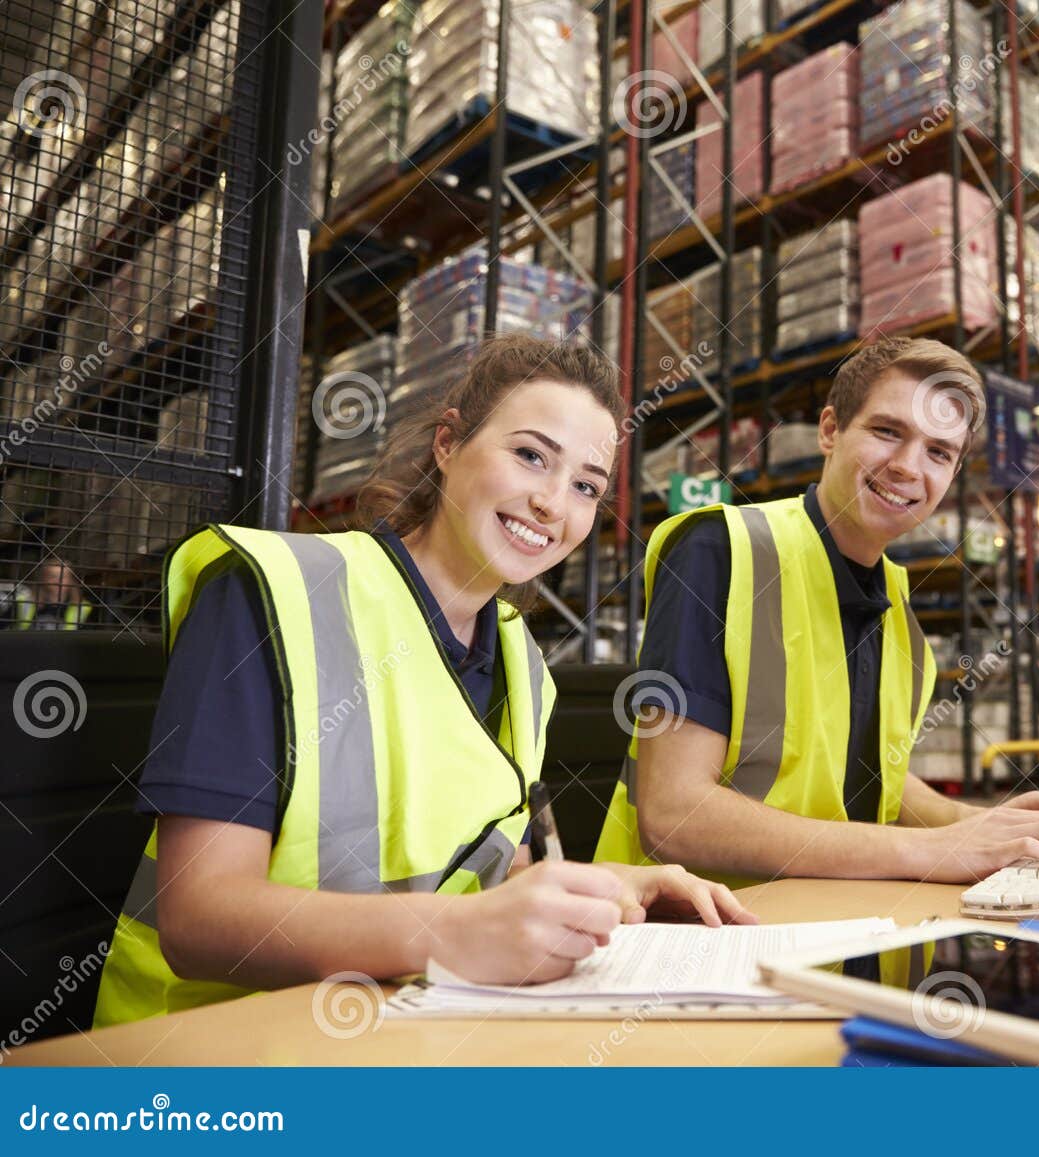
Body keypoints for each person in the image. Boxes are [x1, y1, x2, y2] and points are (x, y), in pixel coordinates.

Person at [94, 336, 753, 1028]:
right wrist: (452, 934)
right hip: (214, 1058)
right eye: (530, 455)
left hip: (397, 1027)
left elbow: (490, 876)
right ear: (447, 443)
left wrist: (614, 885)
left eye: (586, 486)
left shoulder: (519, 662)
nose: (552, 503)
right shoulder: (274, 593)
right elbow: (200, 916)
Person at [595, 337, 1039, 887]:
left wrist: (988, 825)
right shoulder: (722, 553)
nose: (908, 467)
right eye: (887, 431)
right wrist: (933, 850)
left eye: (939, 452)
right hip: (709, 948)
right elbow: (674, 815)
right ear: (830, 430)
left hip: (843, 943)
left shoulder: (898, 611)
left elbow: (870, 780)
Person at [16, 561, 92, 629]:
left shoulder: (83, 608)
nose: (59, 581)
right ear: (43, 579)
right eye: (53, 576)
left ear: (70, 580)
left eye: (64, 577)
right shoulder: (24, 601)